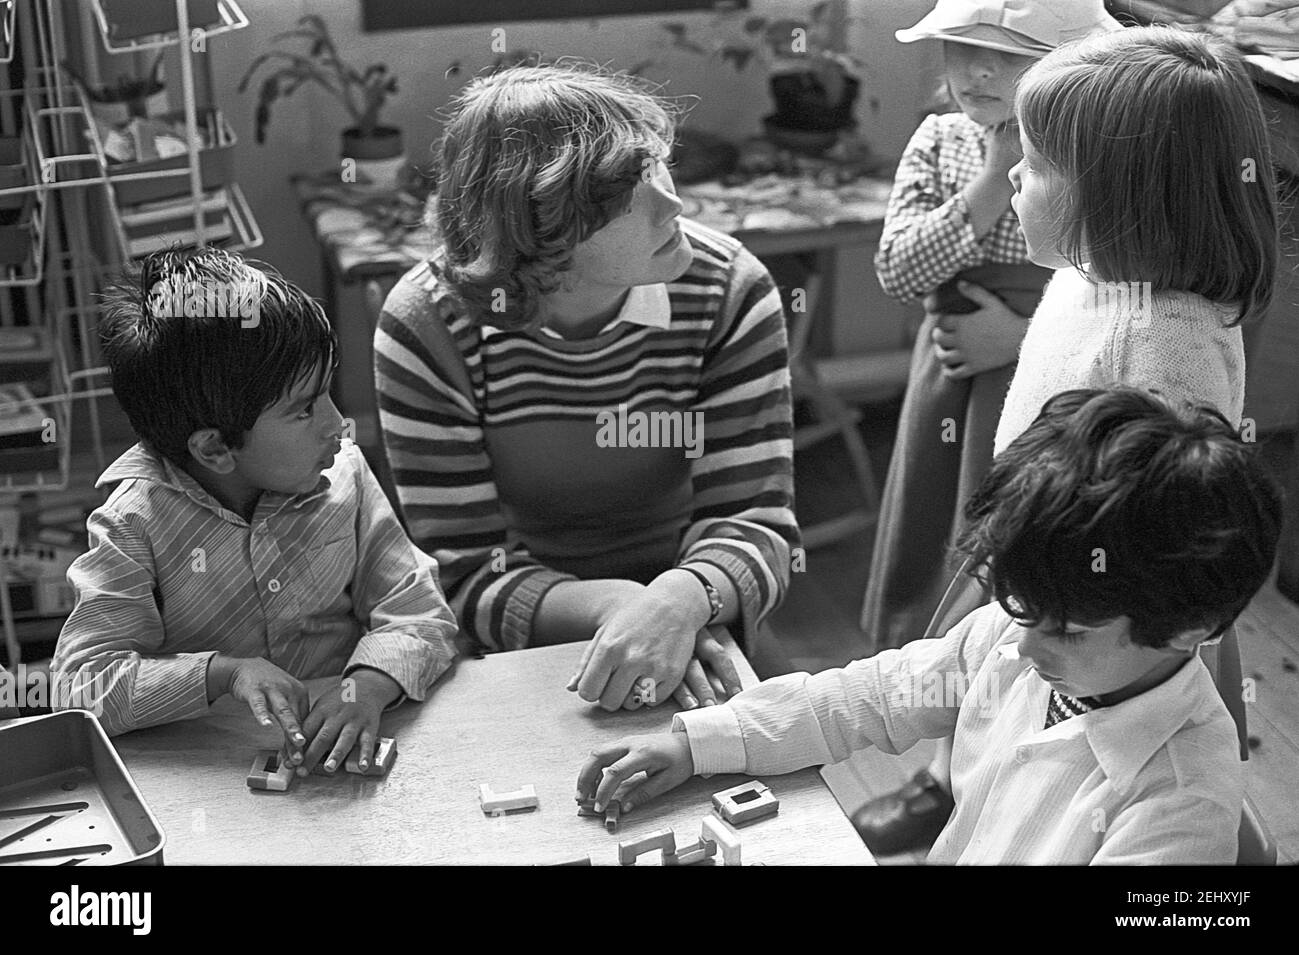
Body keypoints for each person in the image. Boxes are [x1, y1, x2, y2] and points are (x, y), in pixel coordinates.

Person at [859, 23, 1279, 853]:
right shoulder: (1092, 271)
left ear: (1125, 196)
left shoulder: (1168, 342)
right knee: (990, 706)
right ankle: (965, 787)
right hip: (1042, 543)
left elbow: (1163, 533)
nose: (1014, 170)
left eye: (1041, 162)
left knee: (1126, 774)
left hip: (1098, 600)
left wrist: (1063, 605)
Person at [577, 388, 1284, 864]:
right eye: (1019, 607)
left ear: (1191, 624)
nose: (1025, 645)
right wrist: (699, 742)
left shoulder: (1183, 803)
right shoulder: (1011, 639)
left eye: (1067, 632)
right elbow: (868, 697)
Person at [373, 65, 797, 712]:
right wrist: (625, 607)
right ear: (540, 234)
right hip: (527, 633)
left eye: (660, 167)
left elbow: (758, 524)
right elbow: (464, 574)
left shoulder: (730, 290)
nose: (673, 202)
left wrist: (679, 601)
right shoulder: (426, 325)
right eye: (630, 194)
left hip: (701, 606)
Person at [856, 0, 1123, 853]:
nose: (974, 73)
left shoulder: (1098, 149)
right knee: (942, 550)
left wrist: (1020, 331)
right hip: (955, 383)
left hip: (1055, 379)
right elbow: (899, 268)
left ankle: (1007, 766)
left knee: (1017, 567)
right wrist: (990, 173)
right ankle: (935, 771)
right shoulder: (940, 142)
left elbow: (1115, 272)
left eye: (1003, 57)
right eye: (962, 50)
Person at [53, 249, 457, 778]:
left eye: (328, 393)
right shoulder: (133, 523)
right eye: (305, 408)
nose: (339, 424)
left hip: (347, 770)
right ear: (215, 449)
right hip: (211, 784)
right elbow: (79, 687)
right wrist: (222, 674)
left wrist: (371, 686)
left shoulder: (345, 473)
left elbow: (421, 613)